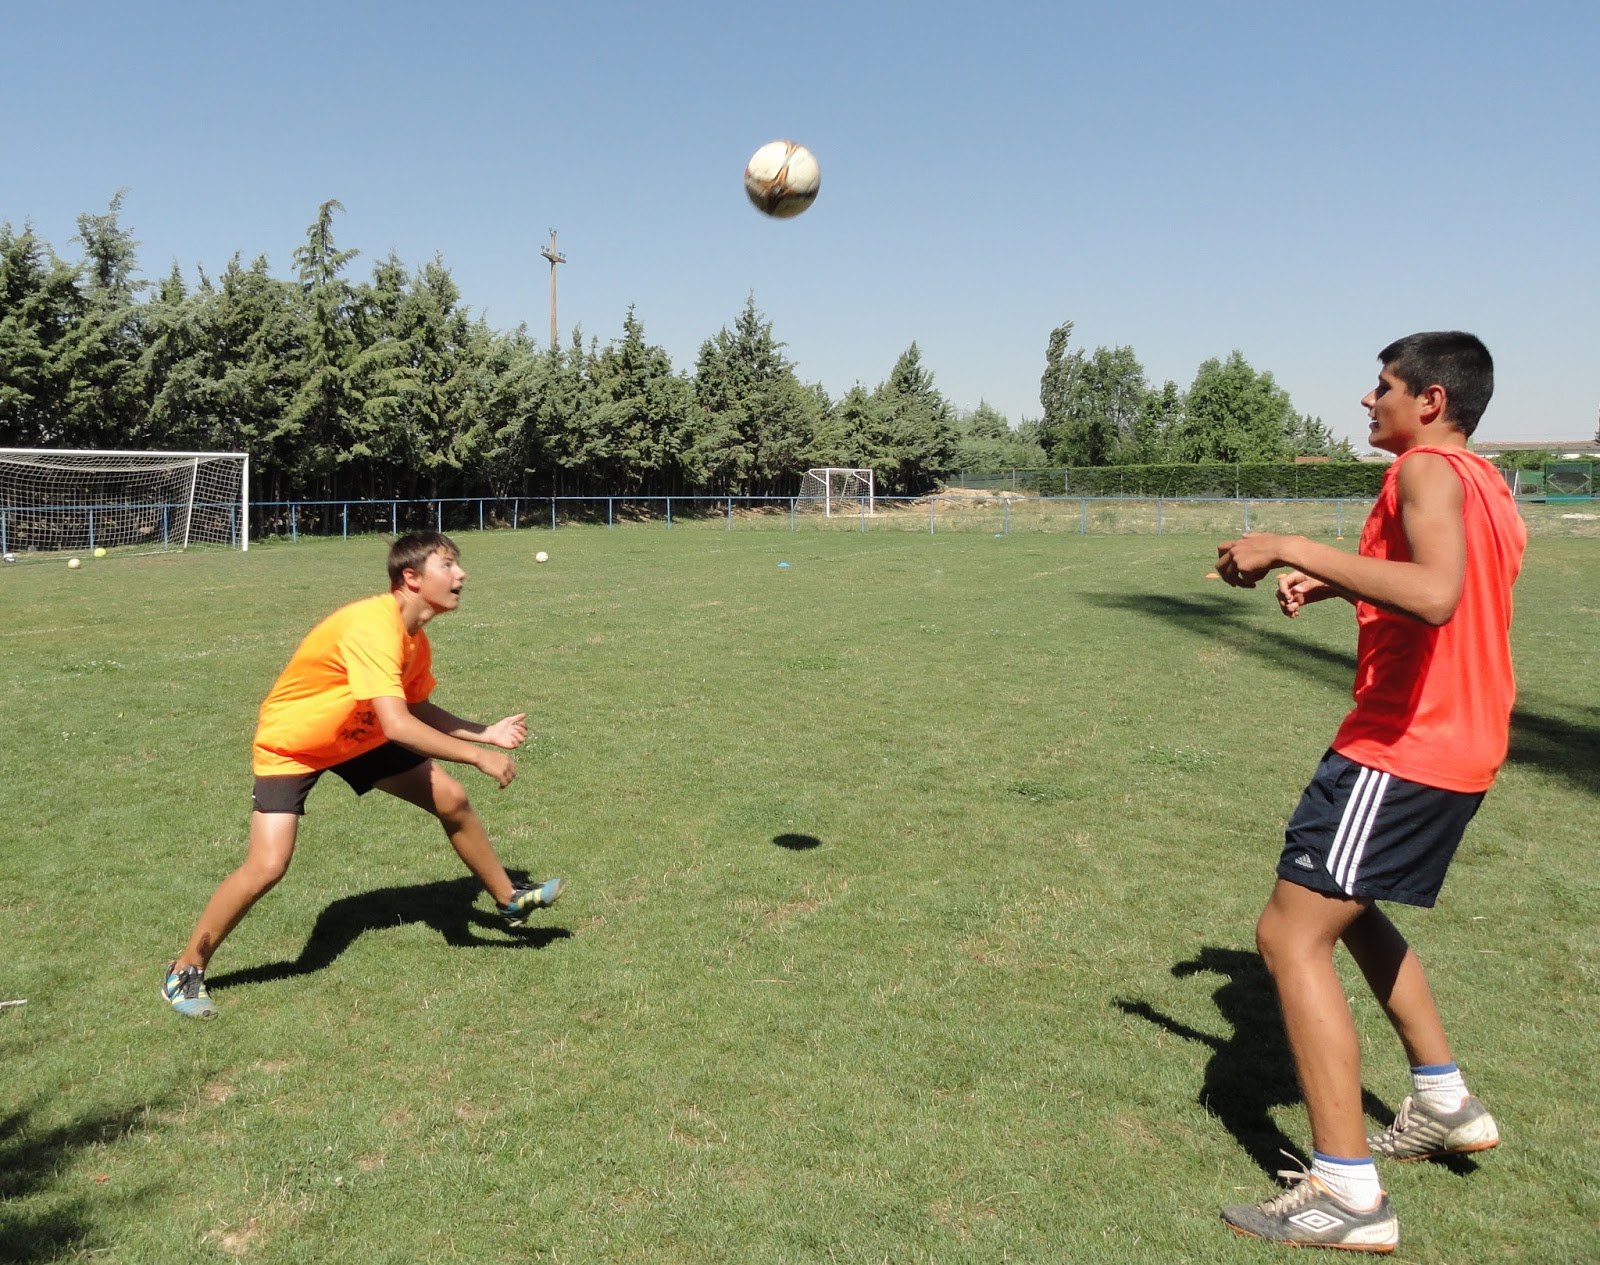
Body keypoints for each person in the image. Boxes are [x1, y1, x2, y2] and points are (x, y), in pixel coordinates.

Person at [1211, 331, 1524, 1252]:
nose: (1366, 400)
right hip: (1461, 742)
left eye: (1381, 386)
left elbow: (1435, 595)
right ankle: (1443, 1098)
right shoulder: (1486, 484)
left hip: (1403, 744)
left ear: (1429, 400)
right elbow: (1450, 596)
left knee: (1288, 931)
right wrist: (1347, 587)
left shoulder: (1424, 472)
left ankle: (1348, 1193)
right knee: (1350, 910)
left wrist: (1288, 544)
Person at [163, 530, 565, 1020]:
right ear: (411, 578)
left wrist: (485, 733)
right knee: (267, 865)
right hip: (295, 743)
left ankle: (509, 900)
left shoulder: (414, 639)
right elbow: (399, 724)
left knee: (451, 800)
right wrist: (476, 755)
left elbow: (414, 706)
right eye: (448, 565)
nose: (461, 575)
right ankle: (185, 970)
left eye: (458, 565)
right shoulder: (373, 627)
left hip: (358, 734)